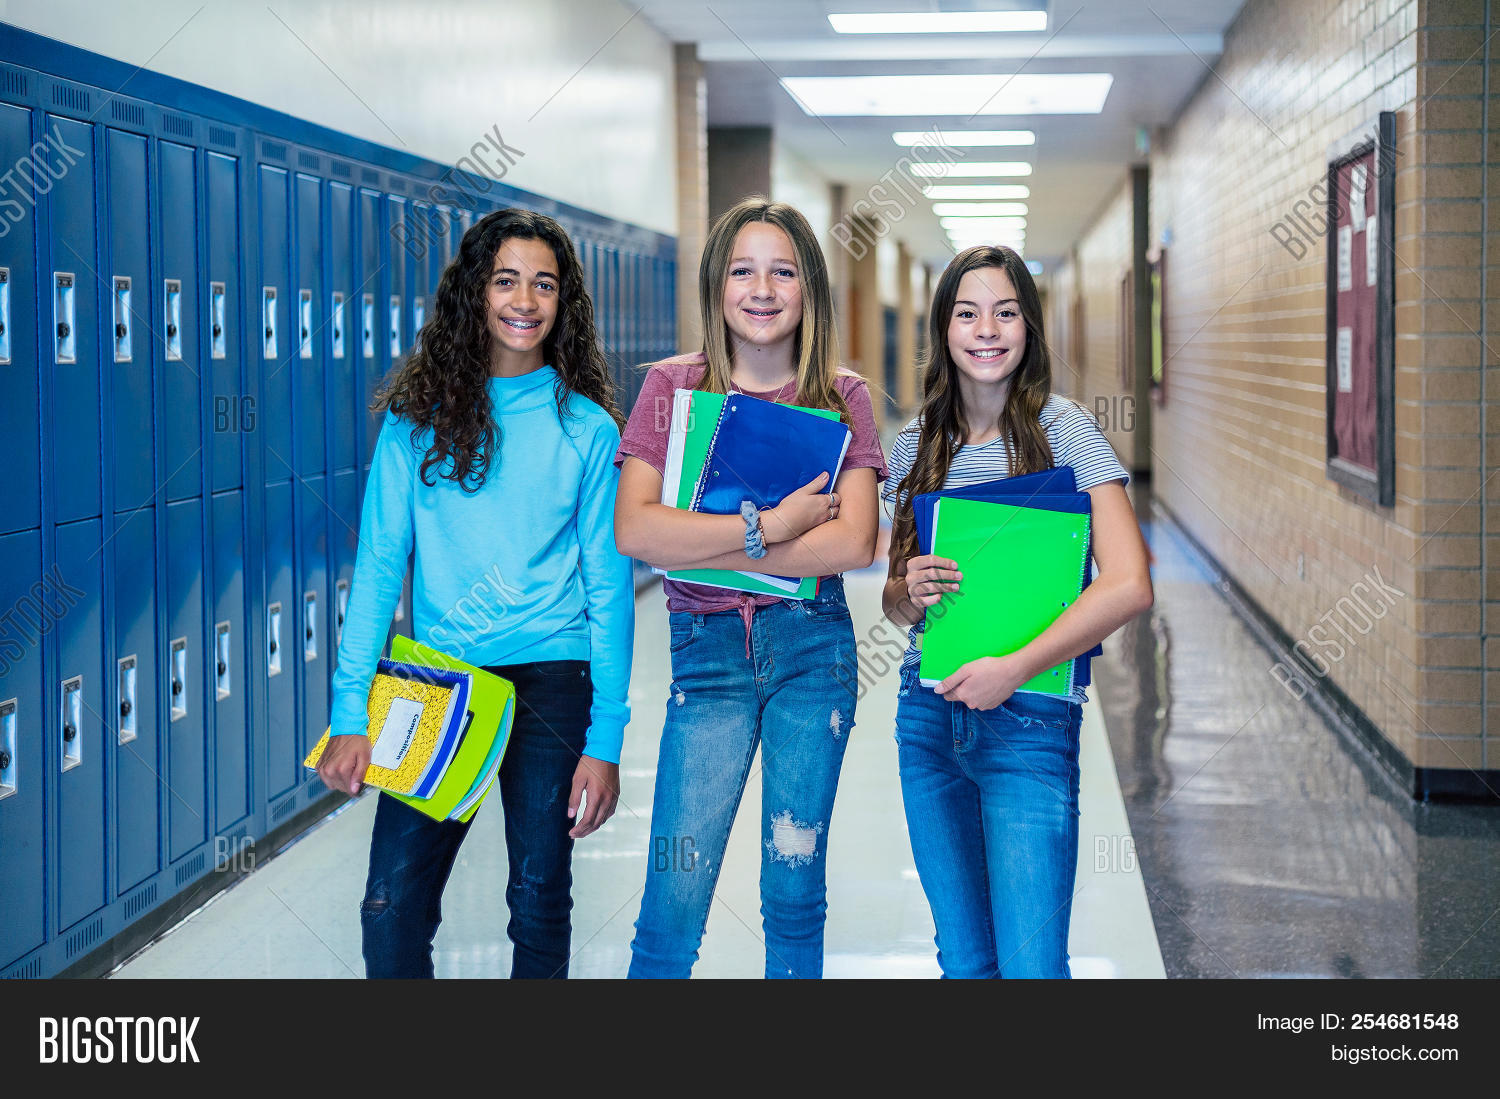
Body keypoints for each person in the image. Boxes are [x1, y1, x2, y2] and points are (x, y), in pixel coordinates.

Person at [317, 208, 634, 979]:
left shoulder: (587, 429)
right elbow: (380, 567)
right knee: (390, 904)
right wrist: (348, 712)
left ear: (564, 303)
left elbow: (610, 586)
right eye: (506, 280)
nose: (524, 300)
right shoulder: (415, 422)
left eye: (544, 284)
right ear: (474, 292)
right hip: (437, 677)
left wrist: (606, 739)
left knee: (537, 895)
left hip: (553, 677)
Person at [613, 197, 887, 978]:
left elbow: (855, 541)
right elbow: (636, 531)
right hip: (707, 663)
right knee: (674, 893)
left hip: (813, 654)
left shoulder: (841, 397)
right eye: (742, 270)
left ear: (809, 289)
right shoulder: (672, 388)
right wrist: (773, 527)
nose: (761, 289)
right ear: (716, 284)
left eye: (783, 270)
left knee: (793, 889)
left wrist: (700, 539)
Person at [882, 244, 1153, 979]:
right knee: (966, 963)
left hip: (1030, 719)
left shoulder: (1063, 430)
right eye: (967, 313)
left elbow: (1129, 582)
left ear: (1029, 326)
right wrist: (913, 586)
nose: (987, 329)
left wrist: (1016, 667)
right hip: (929, 717)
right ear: (944, 328)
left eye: (1005, 312)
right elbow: (895, 601)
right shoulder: (916, 442)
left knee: (1032, 966)